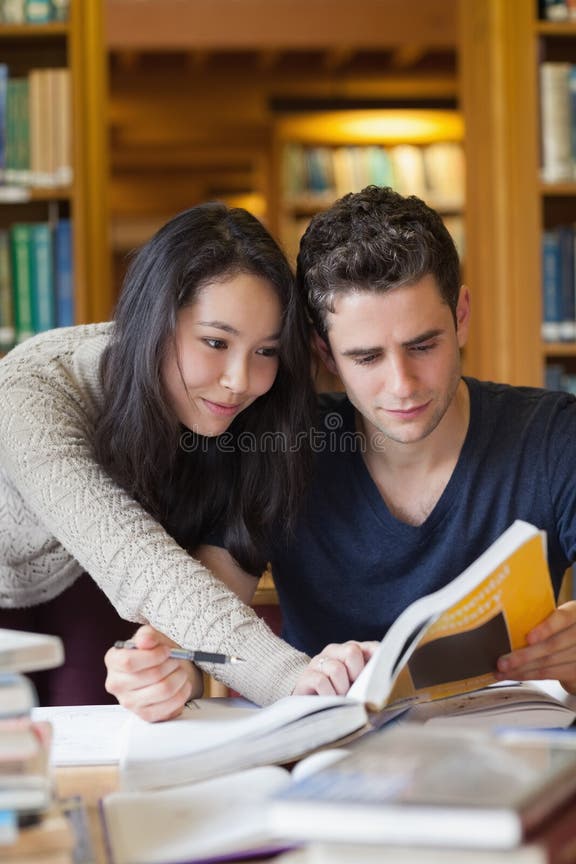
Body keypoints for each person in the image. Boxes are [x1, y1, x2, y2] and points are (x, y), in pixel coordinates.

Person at [106, 185, 576, 720]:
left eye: (423, 345)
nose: (402, 384)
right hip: (326, 765)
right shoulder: (284, 447)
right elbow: (190, 632)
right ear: (324, 352)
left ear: (461, 315)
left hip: (511, 763)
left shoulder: (556, 436)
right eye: (367, 357)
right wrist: (156, 671)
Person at [0, 201, 373, 709]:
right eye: (215, 342)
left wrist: (183, 670)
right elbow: (133, 560)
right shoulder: (32, 390)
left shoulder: (255, 417)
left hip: (102, 589)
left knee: (110, 740)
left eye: (265, 351)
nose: (241, 382)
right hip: (65, 574)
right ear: (153, 321)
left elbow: (199, 638)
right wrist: (292, 679)